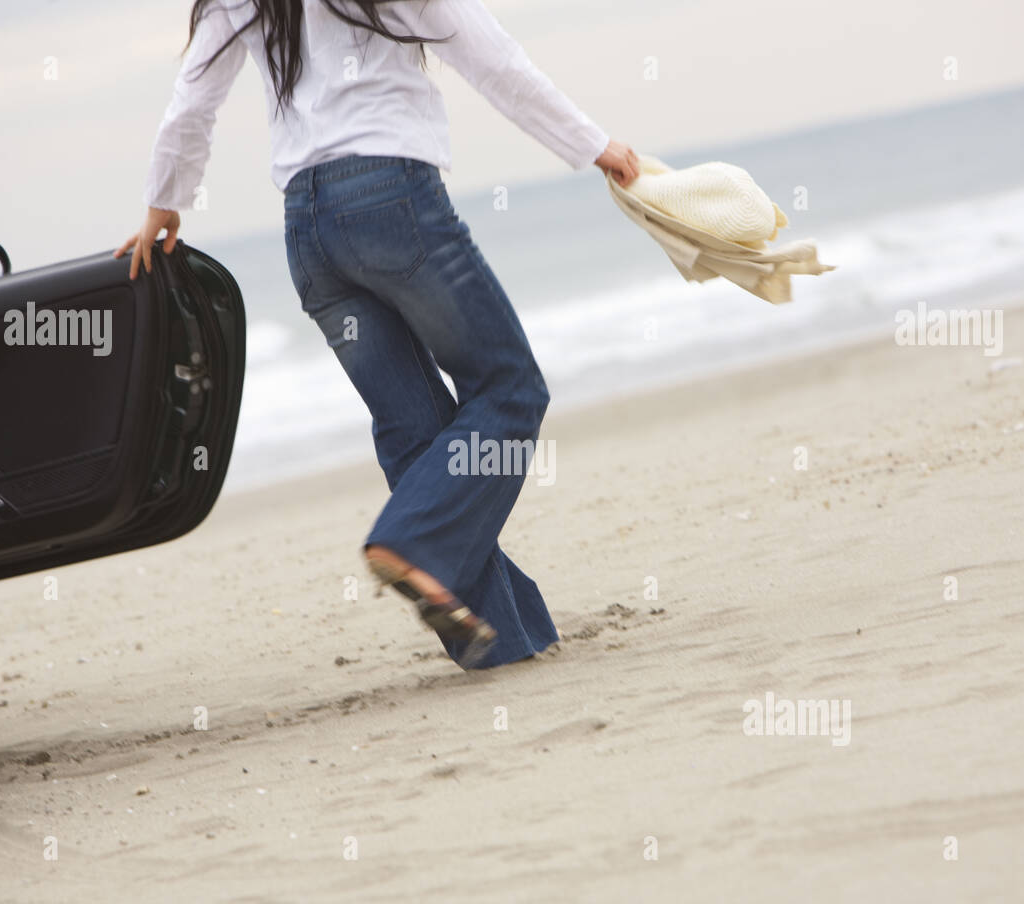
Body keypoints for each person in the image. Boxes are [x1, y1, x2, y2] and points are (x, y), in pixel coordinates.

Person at [116, 0, 639, 668]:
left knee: (415, 432)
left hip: (307, 235)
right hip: (392, 201)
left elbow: (192, 99)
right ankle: (412, 540)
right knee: (509, 389)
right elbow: (494, 60)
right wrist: (594, 144)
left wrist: (164, 204)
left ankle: (501, 640)